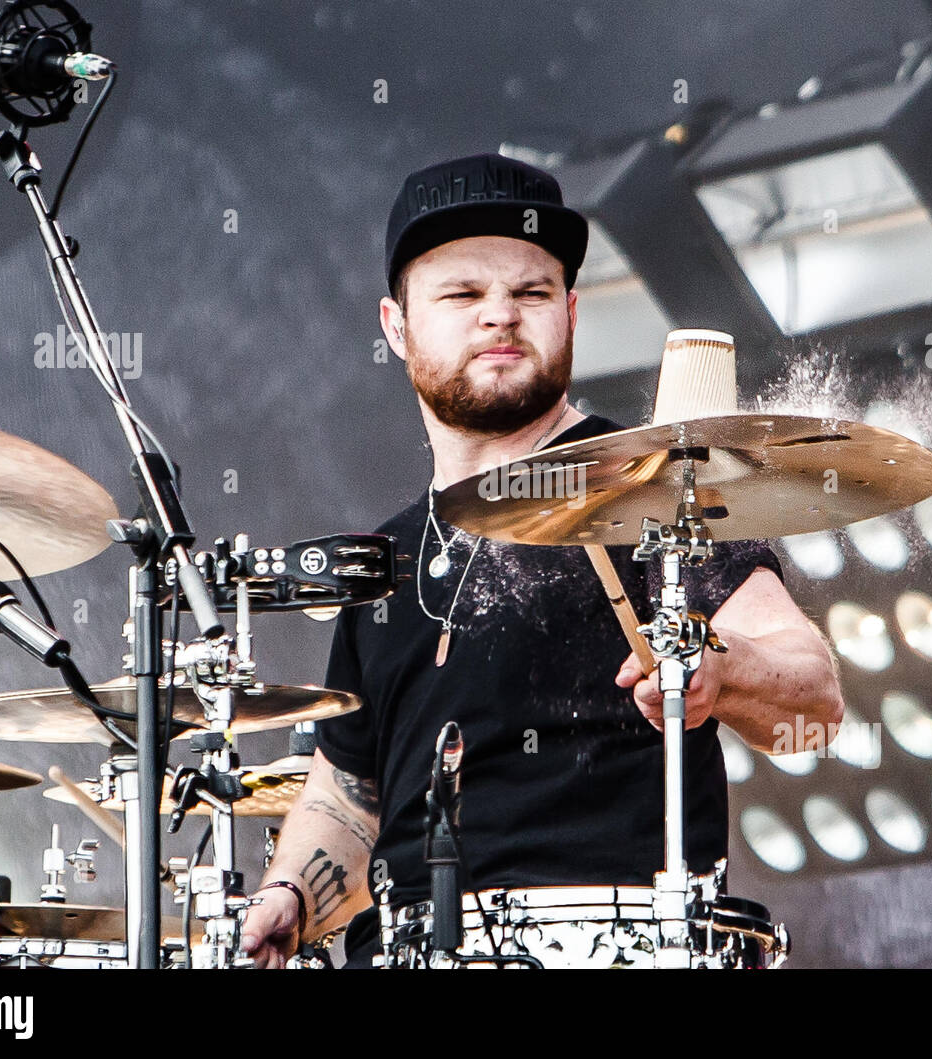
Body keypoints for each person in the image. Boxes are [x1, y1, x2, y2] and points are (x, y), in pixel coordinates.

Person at [241, 153, 844, 969]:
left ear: (569, 313)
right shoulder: (381, 567)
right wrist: (289, 895)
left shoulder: (651, 490)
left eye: (529, 293)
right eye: (462, 294)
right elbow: (351, 800)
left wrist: (716, 671)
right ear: (395, 325)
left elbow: (814, 694)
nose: (500, 317)